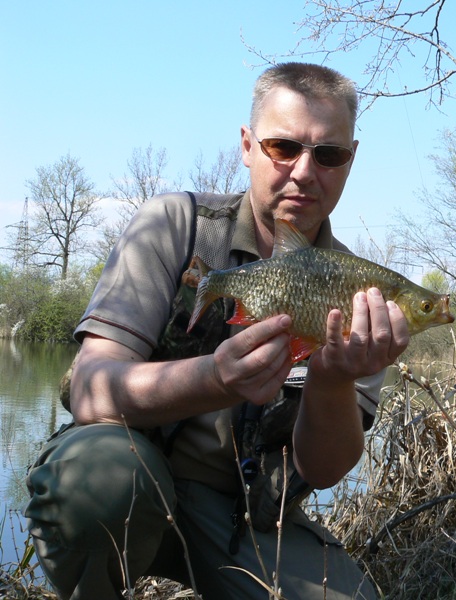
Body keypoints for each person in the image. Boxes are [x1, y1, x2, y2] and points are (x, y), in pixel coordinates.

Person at [25, 62, 406, 600]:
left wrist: (333, 381)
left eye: (328, 154)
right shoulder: (173, 226)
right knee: (101, 485)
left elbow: (321, 471)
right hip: (132, 475)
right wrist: (214, 378)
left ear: (350, 160)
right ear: (247, 145)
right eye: (282, 147)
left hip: (242, 516)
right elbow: (90, 389)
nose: (303, 171)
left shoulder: (362, 295)